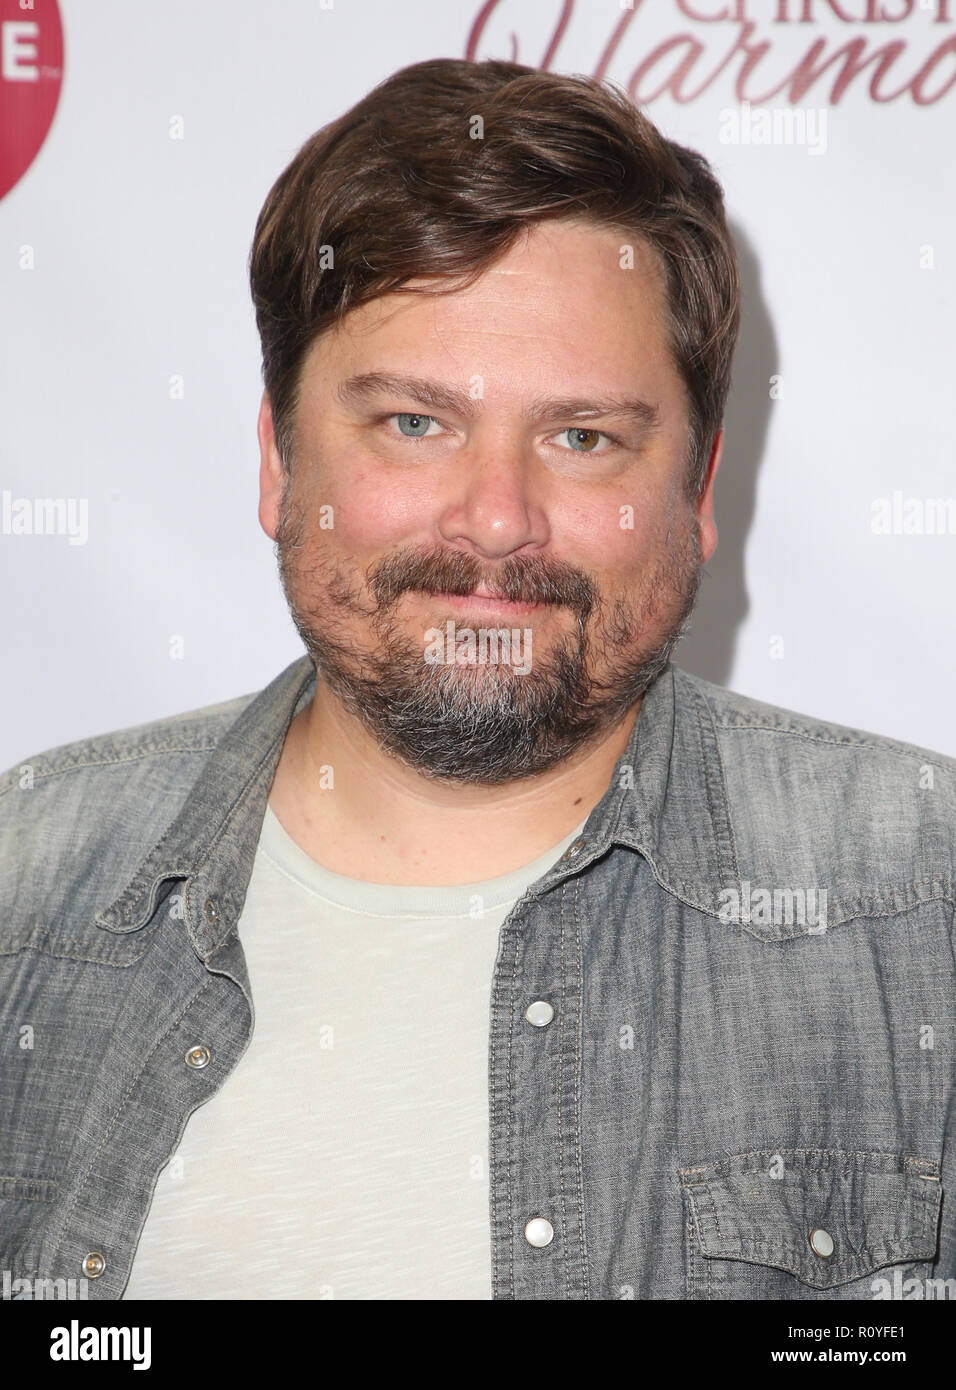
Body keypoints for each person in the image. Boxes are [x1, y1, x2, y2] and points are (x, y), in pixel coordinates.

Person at [1, 58, 952, 1303]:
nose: (497, 520)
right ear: (279, 461)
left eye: (581, 437)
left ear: (698, 491)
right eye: (413, 422)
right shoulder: (25, 884)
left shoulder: (924, 905)